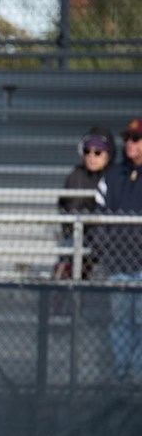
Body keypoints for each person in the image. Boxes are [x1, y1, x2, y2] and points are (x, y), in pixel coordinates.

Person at [93, 117, 142, 381]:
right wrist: (107, 252)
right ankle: (124, 374)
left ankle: (138, 375)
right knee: (121, 322)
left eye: (136, 139)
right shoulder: (113, 176)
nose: (130, 144)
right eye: (128, 139)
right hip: (119, 266)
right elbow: (100, 219)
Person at [55, 127, 115, 279]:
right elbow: (69, 208)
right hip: (79, 235)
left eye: (98, 152)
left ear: (108, 155)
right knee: (67, 251)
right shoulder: (76, 175)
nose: (92, 156)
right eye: (87, 151)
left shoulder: (116, 177)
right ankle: (61, 293)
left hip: (109, 238)